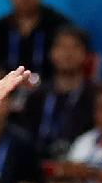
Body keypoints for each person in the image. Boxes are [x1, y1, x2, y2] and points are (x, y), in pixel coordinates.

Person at [14, 25, 95, 160]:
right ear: (51, 53)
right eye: (61, 47)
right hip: (37, 164)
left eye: (75, 47)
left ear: (86, 55)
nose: (67, 53)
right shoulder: (36, 97)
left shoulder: (94, 97)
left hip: (79, 165)